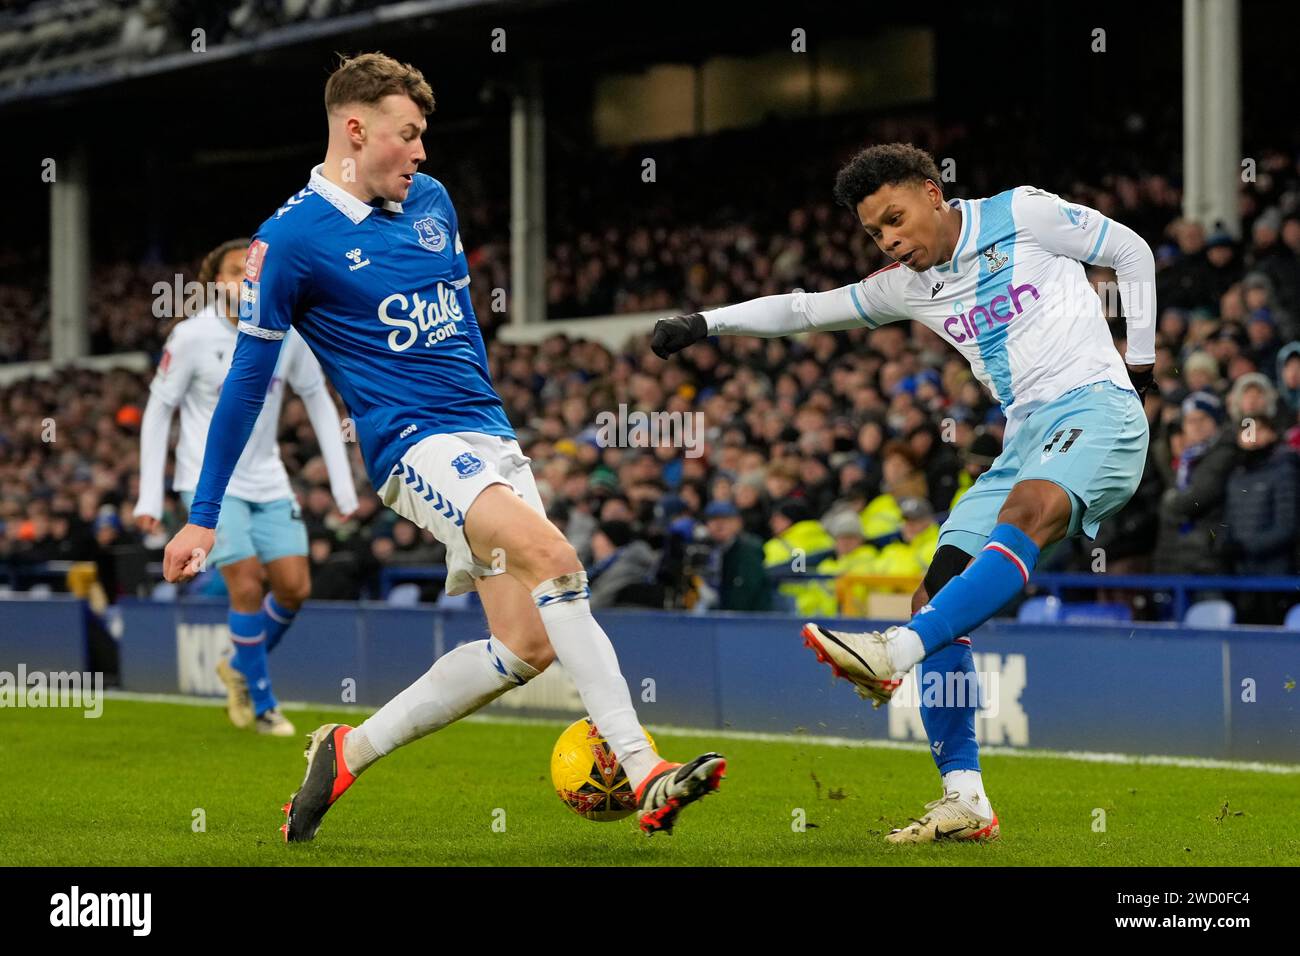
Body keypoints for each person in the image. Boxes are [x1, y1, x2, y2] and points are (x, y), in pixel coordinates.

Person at [160, 53, 723, 841]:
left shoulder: (432, 201)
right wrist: (203, 514)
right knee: (557, 558)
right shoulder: (287, 242)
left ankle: (347, 752)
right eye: (409, 135)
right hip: (413, 446)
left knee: (525, 645)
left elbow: (458, 329)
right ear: (355, 131)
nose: (422, 152)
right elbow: (248, 384)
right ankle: (645, 767)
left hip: (487, 435)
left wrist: (494, 433)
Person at [653, 142, 1155, 843]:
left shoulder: (1023, 212)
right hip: (1025, 438)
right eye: (874, 232)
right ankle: (966, 797)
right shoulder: (906, 284)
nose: (889, 239)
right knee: (937, 593)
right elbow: (802, 311)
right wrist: (707, 323)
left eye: (895, 219)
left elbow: (1132, 251)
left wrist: (1143, 368)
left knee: (1026, 513)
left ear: (931, 193)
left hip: (1099, 409)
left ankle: (896, 652)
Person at [135, 238, 360, 736]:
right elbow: (158, 411)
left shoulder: (286, 331)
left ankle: (239, 667)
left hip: (268, 478)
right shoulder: (192, 336)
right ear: (216, 283)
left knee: (296, 588)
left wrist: (344, 488)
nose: (245, 280)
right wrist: (150, 495)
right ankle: (263, 706)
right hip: (207, 481)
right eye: (235, 272)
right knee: (246, 581)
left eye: (252, 271)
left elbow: (318, 399)